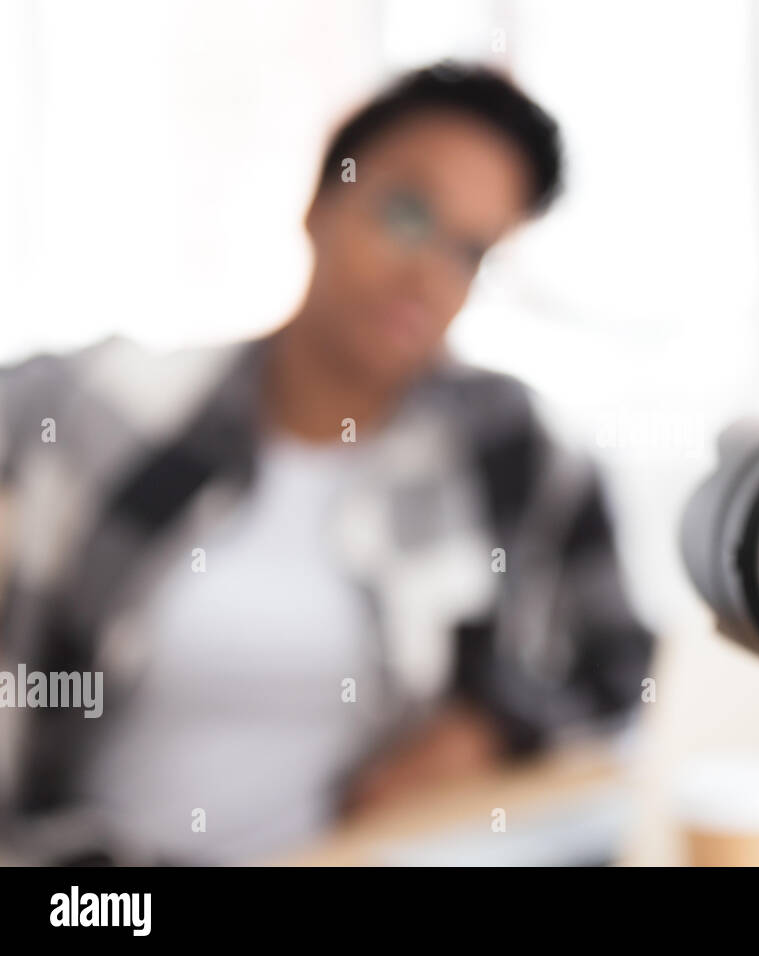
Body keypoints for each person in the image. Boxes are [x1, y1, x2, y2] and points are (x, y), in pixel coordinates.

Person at [0, 62, 654, 864]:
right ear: (321, 204)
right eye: (409, 213)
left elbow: (627, 676)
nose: (427, 272)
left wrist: (493, 727)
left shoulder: (508, 447)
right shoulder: (109, 407)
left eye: (469, 251)